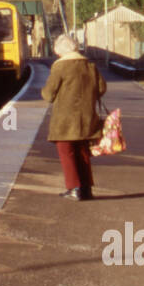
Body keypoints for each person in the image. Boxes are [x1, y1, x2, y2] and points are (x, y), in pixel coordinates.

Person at [41, 34, 106, 200]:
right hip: (87, 117)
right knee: (83, 152)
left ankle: (74, 188)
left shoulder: (60, 67)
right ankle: (86, 189)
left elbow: (48, 94)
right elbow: (101, 88)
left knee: (66, 152)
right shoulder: (90, 65)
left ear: (60, 50)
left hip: (65, 119)